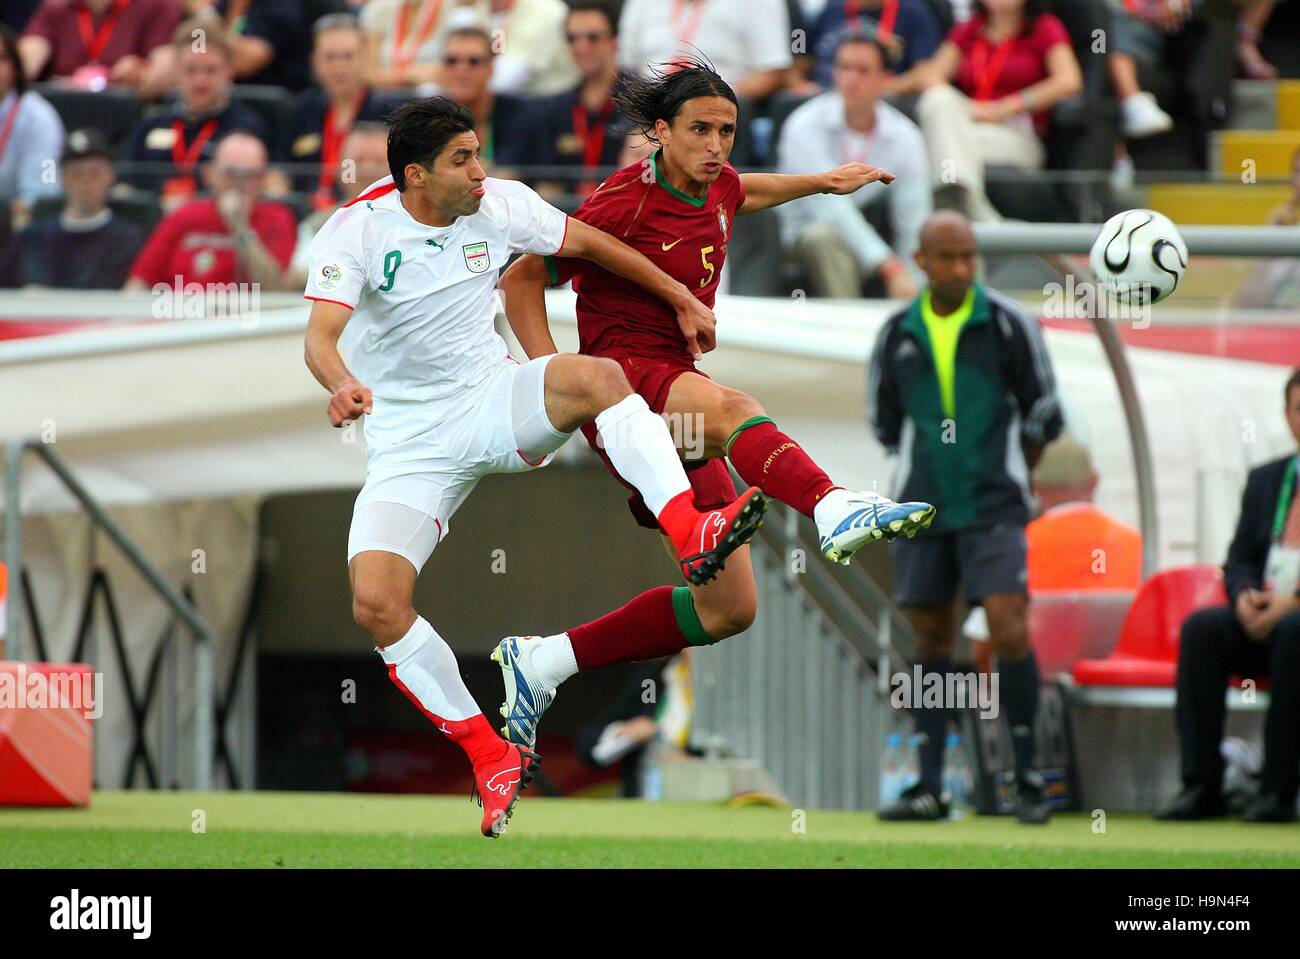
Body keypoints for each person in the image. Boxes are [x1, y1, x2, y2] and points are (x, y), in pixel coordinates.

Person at [302, 97, 769, 837]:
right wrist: (341, 384)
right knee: (376, 603)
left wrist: (679, 294)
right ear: (416, 176)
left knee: (595, 376)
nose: (480, 172)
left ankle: (689, 527)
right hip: (410, 442)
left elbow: (595, 245)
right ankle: (488, 753)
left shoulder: (502, 204)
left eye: (480, 152)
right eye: (463, 160)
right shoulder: (357, 229)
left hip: (491, 399)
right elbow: (320, 337)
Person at [492, 58, 934, 751]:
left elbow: (741, 192)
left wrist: (822, 181)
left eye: (727, 129)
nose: (716, 145)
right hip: (624, 378)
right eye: (700, 129)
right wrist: (557, 378)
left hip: (672, 372)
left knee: (730, 608)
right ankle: (832, 505)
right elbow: (521, 275)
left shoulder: (716, 181)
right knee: (731, 410)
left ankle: (544, 661)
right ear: (661, 132)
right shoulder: (623, 201)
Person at [868, 209, 1064, 824]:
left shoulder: (1009, 323)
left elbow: (1045, 414)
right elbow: (884, 423)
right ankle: (930, 786)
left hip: (993, 505)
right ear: (921, 260)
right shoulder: (895, 331)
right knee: (929, 639)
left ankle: (1029, 778)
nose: (960, 267)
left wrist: (1008, 471)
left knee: (1009, 627)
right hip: (921, 508)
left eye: (968, 255)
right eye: (947, 256)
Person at [1157, 369, 1300, 824]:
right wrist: (1242, 594)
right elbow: (1238, 557)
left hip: (1295, 624)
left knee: (1296, 631)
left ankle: (1278, 790)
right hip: (1264, 616)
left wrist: (1291, 604)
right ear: (1287, 416)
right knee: (1203, 629)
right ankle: (1201, 785)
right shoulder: (1266, 480)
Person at [890, 0, 1082, 222]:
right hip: (968, 123)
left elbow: (1069, 80)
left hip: (1014, 131)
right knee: (938, 99)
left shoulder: (1044, 27)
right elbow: (932, 76)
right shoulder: (971, 28)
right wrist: (971, 108)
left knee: (935, 145)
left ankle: (952, 202)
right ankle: (970, 203)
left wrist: (1010, 106)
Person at [777, 33, 928, 300]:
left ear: (885, 79)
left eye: (863, 70)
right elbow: (829, 208)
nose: (851, 79)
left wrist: (911, 287)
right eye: (844, 68)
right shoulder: (804, 124)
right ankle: (849, 331)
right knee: (822, 236)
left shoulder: (906, 134)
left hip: (869, 245)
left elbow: (913, 221)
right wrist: (890, 267)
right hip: (802, 238)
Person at [119, 19, 270, 204]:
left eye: (210, 70)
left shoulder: (248, 128)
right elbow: (124, 185)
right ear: (176, 71)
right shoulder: (151, 124)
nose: (200, 81)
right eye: (191, 70)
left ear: (229, 70)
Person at [125, 129, 296, 290]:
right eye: (231, 174)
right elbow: (141, 280)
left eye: (250, 176)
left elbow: (277, 287)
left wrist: (241, 229)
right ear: (211, 174)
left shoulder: (277, 217)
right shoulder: (185, 214)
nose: (239, 183)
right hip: (181, 311)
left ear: (262, 179)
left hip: (247, 316)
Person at [0, 128, 145, 288]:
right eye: (76, 173)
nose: (85, 182)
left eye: (94, 173)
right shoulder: (34, 237)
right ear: (62, 178)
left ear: (110, 176)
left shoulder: (128, 239)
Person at [281, 14, 399, 206]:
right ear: (314, 61)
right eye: (330, 57)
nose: (339, 67)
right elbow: (281, 166)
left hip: (364, 208)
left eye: (348, 56)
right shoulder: (301, 109)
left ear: (365, 58)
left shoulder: (388, 113)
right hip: (305, 210)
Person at [527, 0, 627, 196]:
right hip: (572, 218)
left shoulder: (642, 101)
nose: (581, 46)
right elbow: (547, 183)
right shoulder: (555, 108)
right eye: (572, 38)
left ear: (615, 40)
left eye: (592, 37)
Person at [616, 0, 793, 102]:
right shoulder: (640, 3)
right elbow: (624, 65)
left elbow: (773, 71)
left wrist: (713, 97)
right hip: (651, 105)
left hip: (720, 103)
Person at [288, 121, 390, 287]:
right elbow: (295, 282)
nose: (368, 170)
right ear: (340, 168)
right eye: (358, 161)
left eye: (379, 161)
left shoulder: (419, 219)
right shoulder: (319, 223)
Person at [18, 0, 180, 98]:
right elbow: (24, 60)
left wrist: (141, 71)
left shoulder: (157, 5)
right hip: (64, 109)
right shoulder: (58, 8)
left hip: (125, 113)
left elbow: (165, 73)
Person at [437, 25, 534, 170]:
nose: (461, 70)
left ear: (491, 69)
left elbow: (510, 176)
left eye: (473, 61)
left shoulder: (519, 114)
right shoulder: (427, 117)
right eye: (452, 61)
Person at [0, 24, 64, 231]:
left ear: (15, 67)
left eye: (0, 59)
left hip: (15, 230)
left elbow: (45, 186)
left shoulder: (40, 119)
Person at [805, 0, 943, 88]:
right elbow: (799, 43)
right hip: (824, 95)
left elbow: (925, 71)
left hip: (885, 101)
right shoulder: (830, 9)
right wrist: (797, 82)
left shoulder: (914, 12)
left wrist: (889, 87)